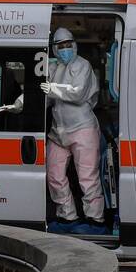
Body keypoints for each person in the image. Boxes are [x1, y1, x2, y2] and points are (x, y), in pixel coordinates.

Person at [43, 28, 105, 235]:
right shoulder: (53, 68)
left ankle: (95, 220)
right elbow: (43, 96)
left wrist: (52, 89)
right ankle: (67, 216)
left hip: (83, 129)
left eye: (68, 44)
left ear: (75, 45)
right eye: (60, 46)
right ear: (54, 48)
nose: (65, 49)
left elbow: (77, 93)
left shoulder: (83, 66)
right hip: (58, 132)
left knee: (87, 177)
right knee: (54, 175)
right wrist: (20, 103)